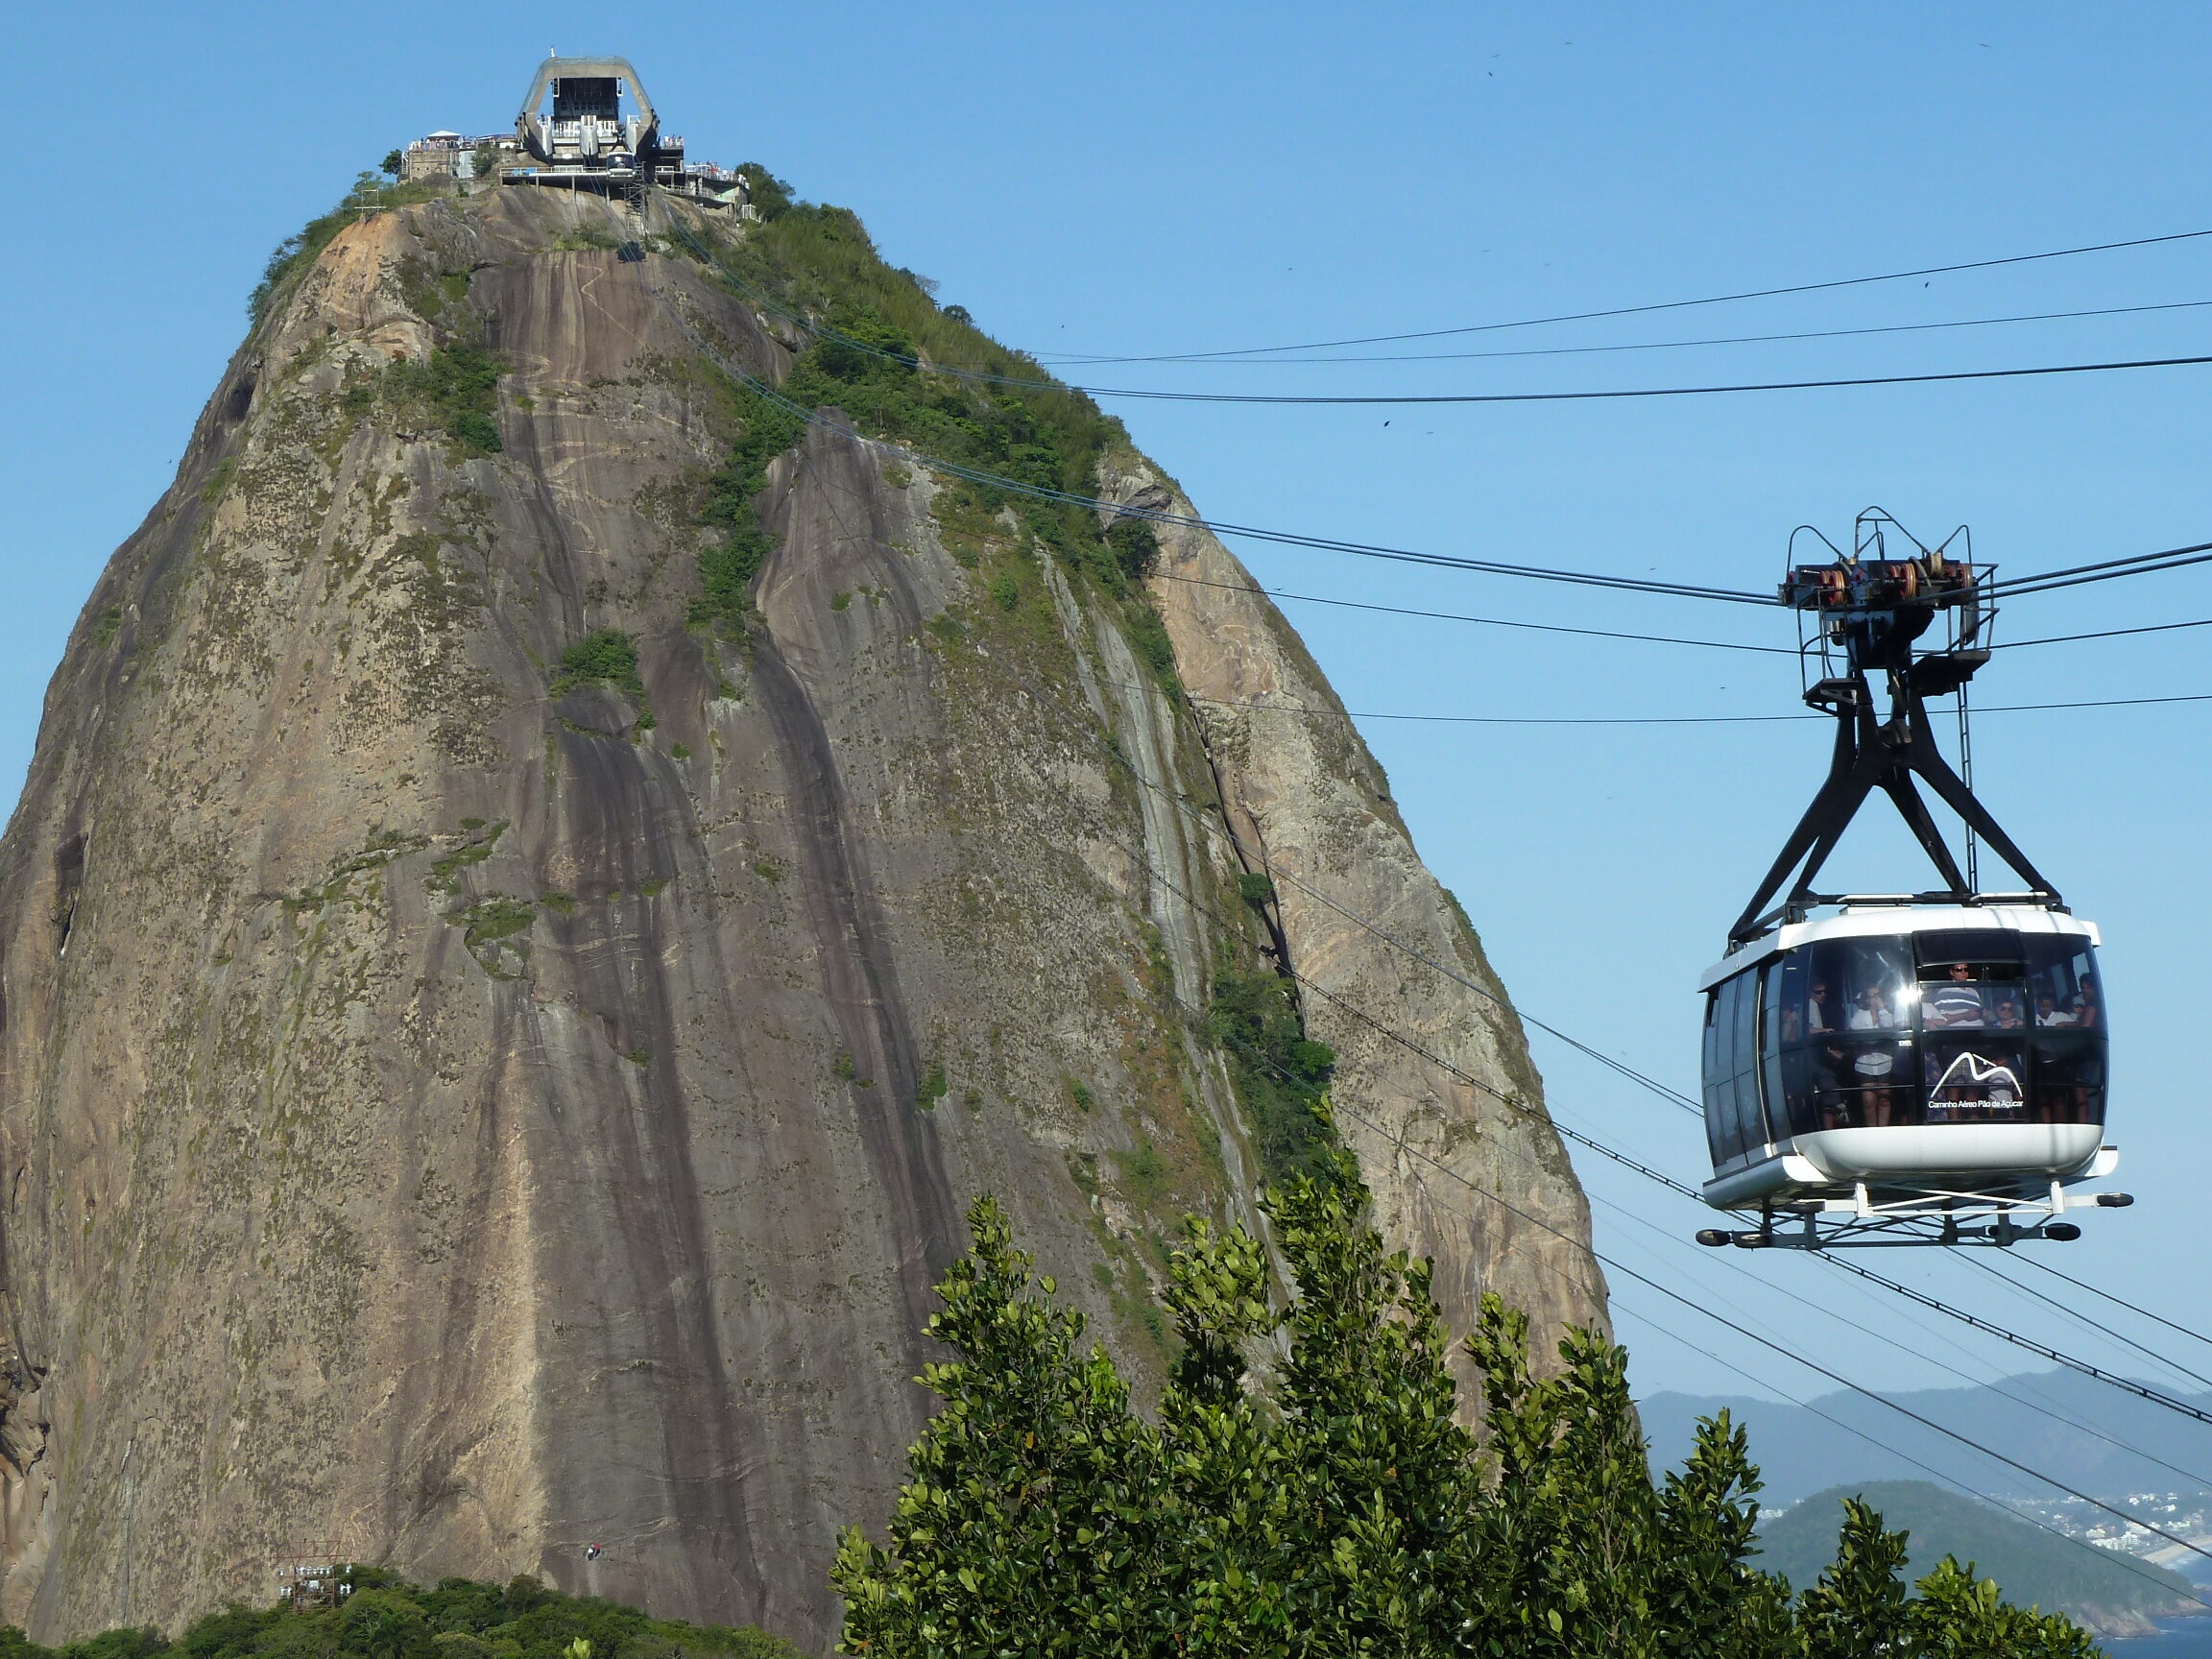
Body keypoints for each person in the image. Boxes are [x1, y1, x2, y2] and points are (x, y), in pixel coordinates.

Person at [1923, 961, 1987, 1028]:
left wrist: (1984, 1015)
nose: (1963, 972)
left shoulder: (1974, 992)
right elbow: (1940, 1019)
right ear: (1952, 972)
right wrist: (1964, 1015)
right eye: (1959, 969)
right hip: (1957, 1035)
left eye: (1966, 969)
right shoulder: (1945, 991)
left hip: (1979, 1033)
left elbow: (1981, 1016)